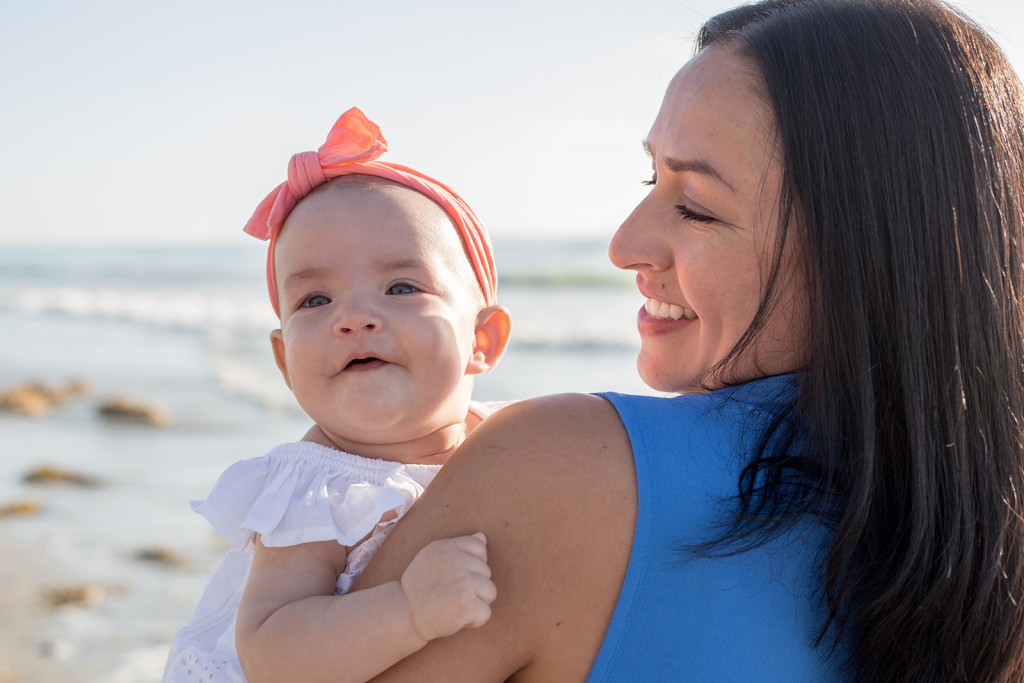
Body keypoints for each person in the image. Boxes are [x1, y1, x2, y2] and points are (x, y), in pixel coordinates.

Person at [352, 0, 1024, 680]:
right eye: (653, 178)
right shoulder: (994, 547)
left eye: (695, 206)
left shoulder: (563, 471)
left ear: (867, 253)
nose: (624, 246)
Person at [163, 107, 512, 683]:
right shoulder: (319, 488)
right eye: (315, 301)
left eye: (402, 287)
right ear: (284, 361)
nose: (352, 317)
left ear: (482, 339)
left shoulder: (518, 438)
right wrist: (407, 611)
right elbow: (273, 654)